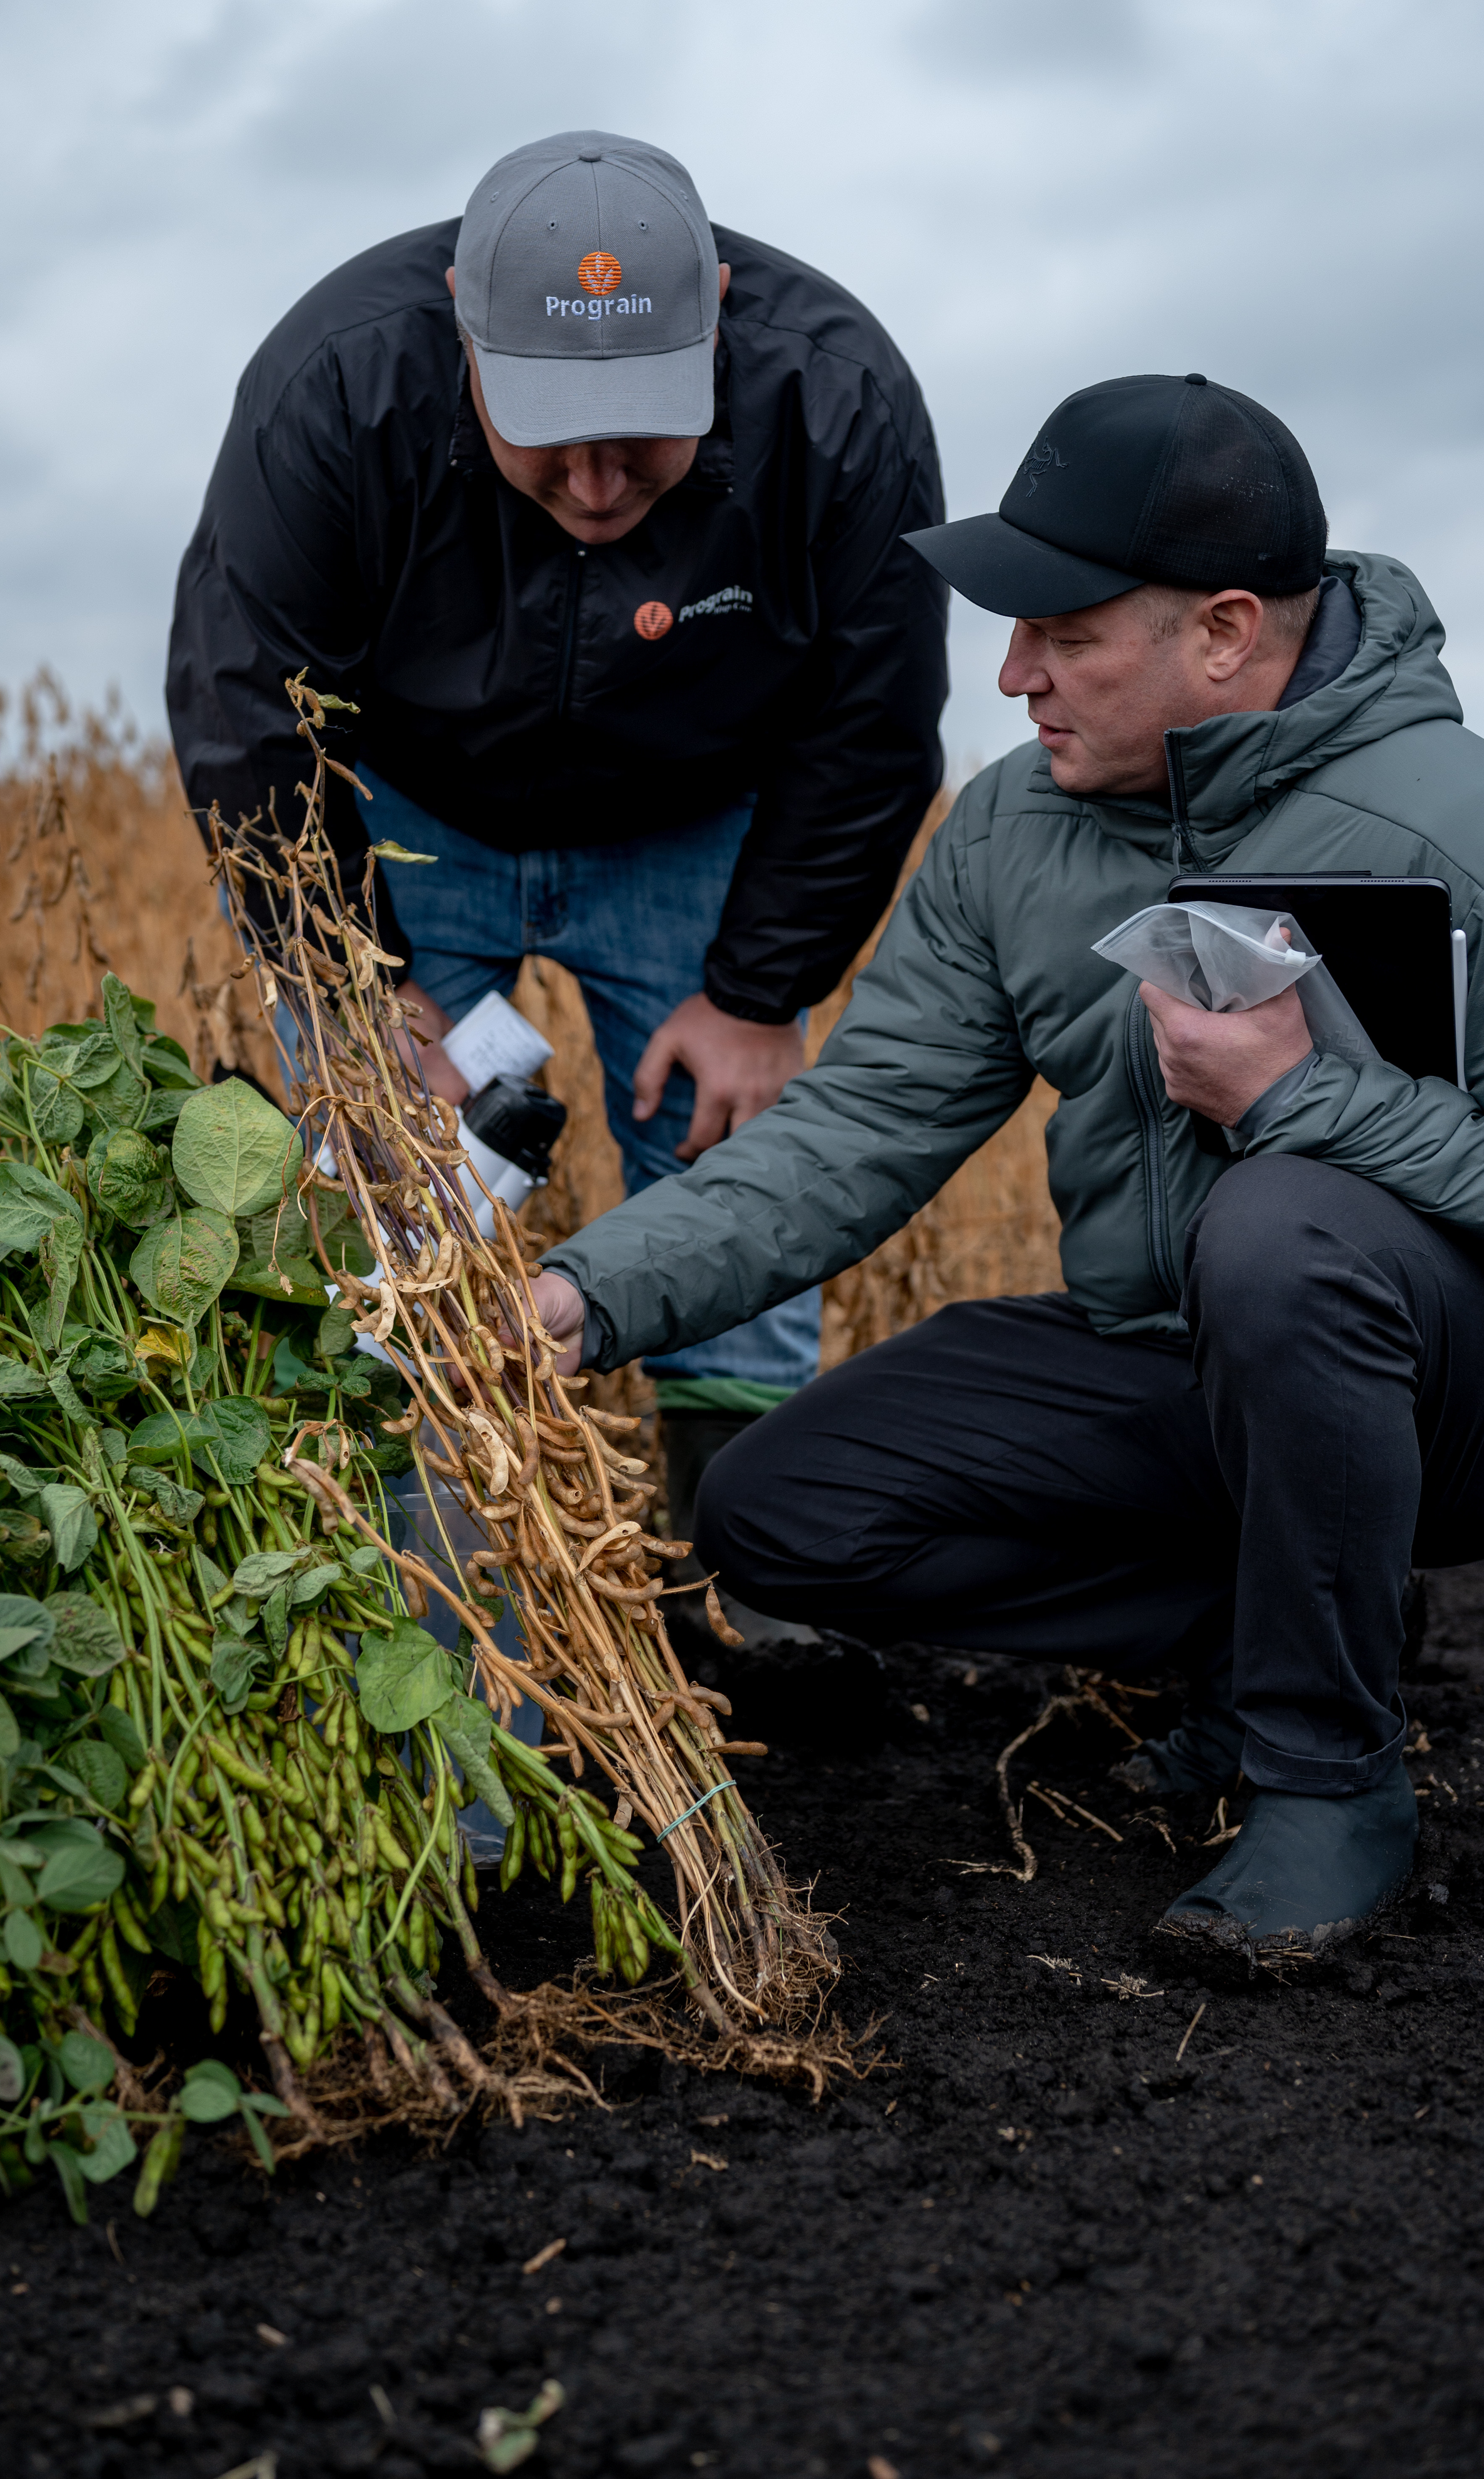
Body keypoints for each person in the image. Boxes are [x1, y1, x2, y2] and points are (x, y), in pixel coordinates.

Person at [528, 369, 1484, 1957]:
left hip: (1443, 1393)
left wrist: (1302, 1101)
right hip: (1174, 1369)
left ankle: (1328, 1784)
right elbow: (864, 1120)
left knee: (1283, 1228)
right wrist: (584, 1291)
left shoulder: (1452, 825)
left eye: (1066, 634)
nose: (1014, 673)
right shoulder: (1006, 831)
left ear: (1225, 632)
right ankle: (1277, 1622)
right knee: (781, 1514)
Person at [165, 127, 947, 1570]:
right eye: (552, 429)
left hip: (693, 818)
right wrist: (350, 986)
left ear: (716, 315)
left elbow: (876, 724)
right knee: (393, 1177)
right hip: (411, 819)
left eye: (641, 428)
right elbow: (242, 700)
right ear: (461, 320)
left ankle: (742, 1584)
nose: (596, 483)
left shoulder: (838, 404)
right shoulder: (333, 384)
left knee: (731, 1164)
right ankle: (417, 1557)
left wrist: (761, 992)